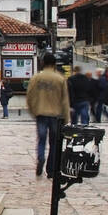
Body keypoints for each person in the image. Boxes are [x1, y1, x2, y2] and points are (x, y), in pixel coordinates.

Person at [25, 50, 69, 178]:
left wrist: (33, 111)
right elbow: (65, 100)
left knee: (41, 139)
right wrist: (66, 118)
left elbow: (30, 96)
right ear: (55, 64)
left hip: (41, 113)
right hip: (55, 115)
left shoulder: (36, 78)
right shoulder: (60, 79)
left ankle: (40, 157)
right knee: (54, 142)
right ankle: (51, 169)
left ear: (43, 63)